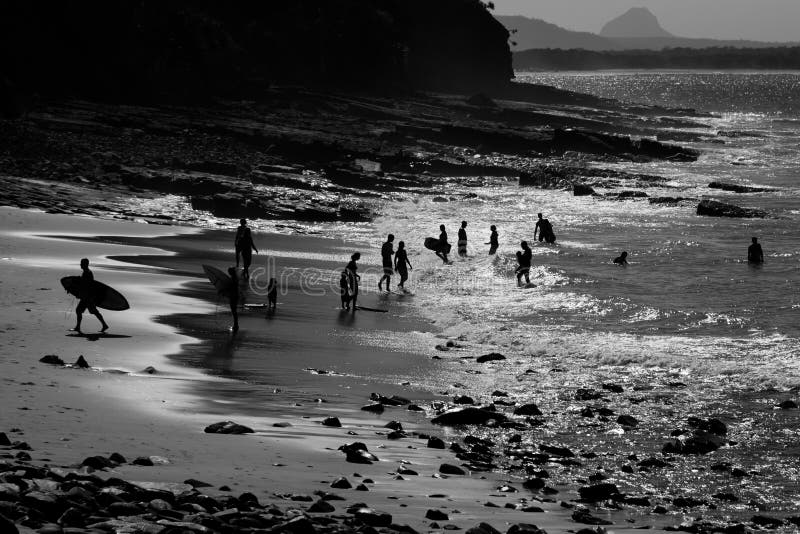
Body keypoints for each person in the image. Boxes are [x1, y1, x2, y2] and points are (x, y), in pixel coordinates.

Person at [72, 258, 109, 333]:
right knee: (92, 312)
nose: (80, 265)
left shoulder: (87, 273)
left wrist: (80, 294)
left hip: (88, 297)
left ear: (85, 264)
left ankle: (78, 327)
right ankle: (104, 325)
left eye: (81, 263)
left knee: (81, 310)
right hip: (87, 297)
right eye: (81, 263)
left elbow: (88, 286)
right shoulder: (86, 272)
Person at [227, 267, 240, 332]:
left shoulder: (233, 279)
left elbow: (231, 288)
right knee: (234, 310)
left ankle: (236, 325)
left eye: (229, 272)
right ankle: (235, 324)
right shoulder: (235, 278)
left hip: (233, 296)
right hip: (235, 295)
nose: (228, 273)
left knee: (234, 310)